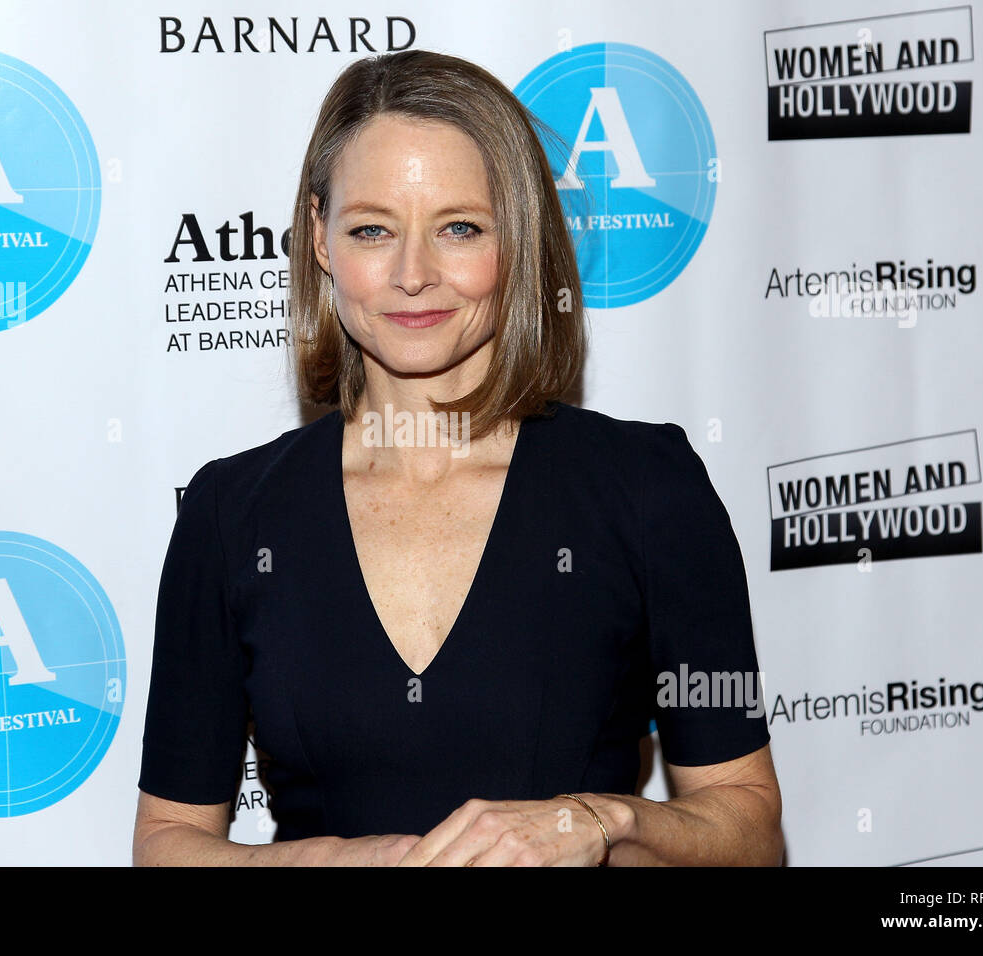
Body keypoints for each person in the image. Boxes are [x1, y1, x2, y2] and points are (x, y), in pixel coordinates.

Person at [133, 49, 782, 866]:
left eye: (460, 228)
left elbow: (749, 831)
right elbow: (167, 842)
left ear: (520, 241)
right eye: (373, 229)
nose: (413, 275)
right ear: (321, 241)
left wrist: (597, 820)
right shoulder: (232, 514)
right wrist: (336, 862)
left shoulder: (647, 488)